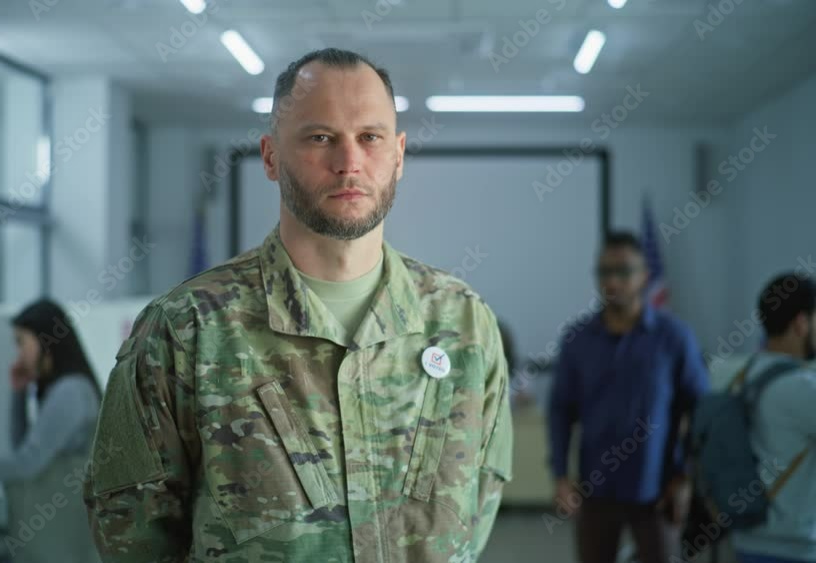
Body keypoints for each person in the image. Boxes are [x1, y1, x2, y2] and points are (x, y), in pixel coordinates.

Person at [83, 48, 512, 563]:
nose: (349, 161)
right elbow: (132, 536)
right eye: (320, 137)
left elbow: (478, 506)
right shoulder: (186, 330)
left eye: (369, 138)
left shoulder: (463, 322)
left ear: (398, 155)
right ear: (270, 157)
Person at [547, 231, 710, 563]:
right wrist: (561, 476)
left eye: (623, 271)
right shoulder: (579, 339)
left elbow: (701, 411)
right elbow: (560, 410)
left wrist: (687, 478)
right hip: (595, 489)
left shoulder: (672, 337)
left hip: (658, 489)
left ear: (644, 276)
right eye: (604, 272)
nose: (613, 281)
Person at [0, 299, 102, 563]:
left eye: (20, 342)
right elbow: (25, 448)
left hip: (63, 536)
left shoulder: (70, 392)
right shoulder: (67, 387)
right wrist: (19, 392)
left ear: (45, 340)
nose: (18, 353)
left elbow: (27, 463)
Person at [730, 273, 816, 562]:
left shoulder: (743, 375)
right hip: (791, 548)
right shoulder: (802, 388)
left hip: (747, 539)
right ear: (801, 323)